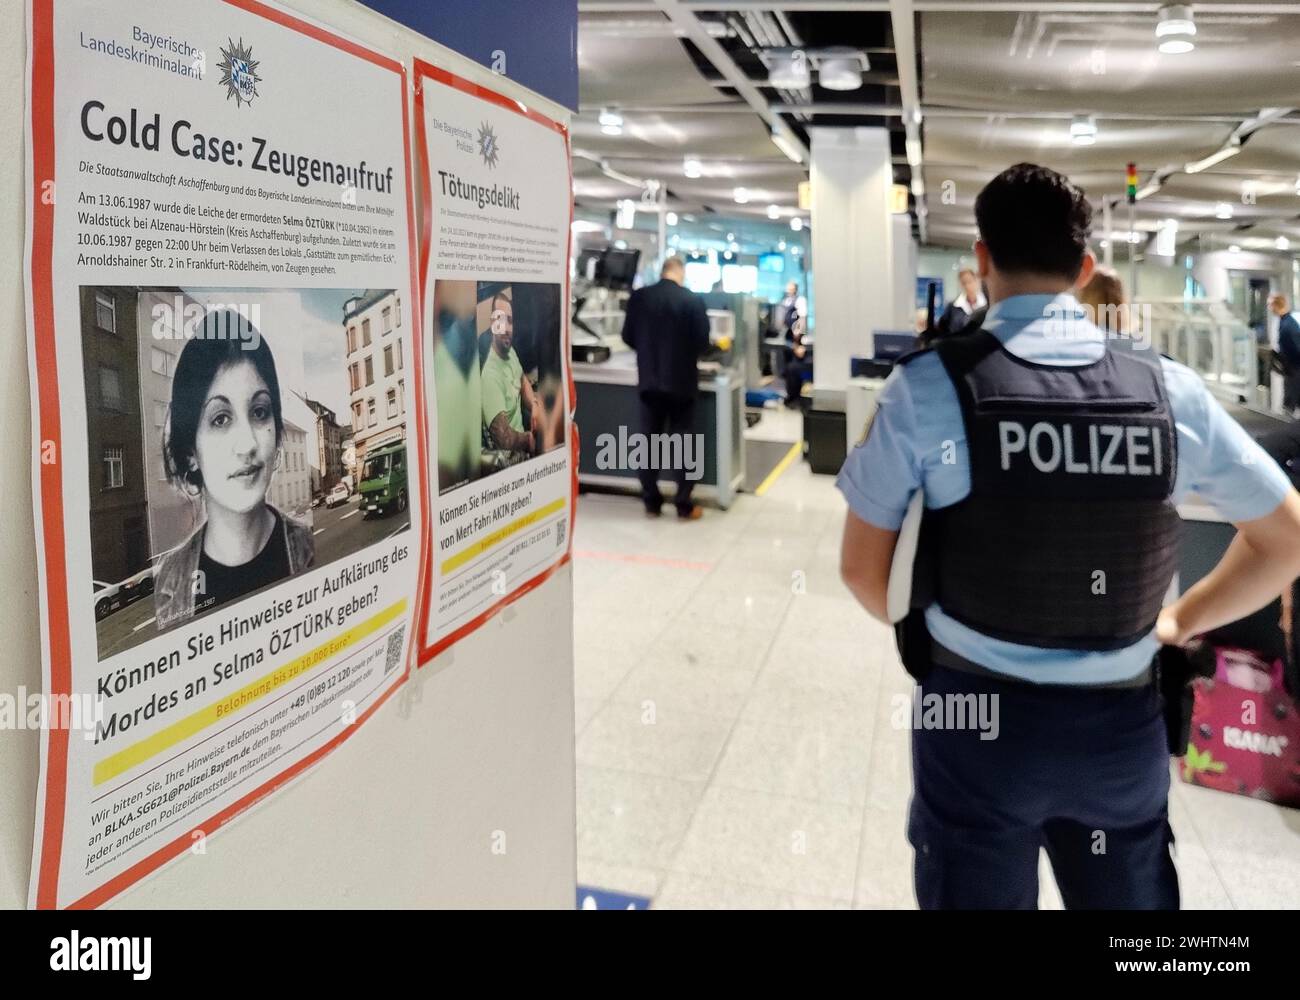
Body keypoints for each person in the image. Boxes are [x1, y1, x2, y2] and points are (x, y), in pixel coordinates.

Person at [836, 162, 1300, 910]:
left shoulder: (927, 387)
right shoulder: (1166, 390)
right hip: (1119, 730)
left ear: (981, 260)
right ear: (1086, 269)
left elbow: (864, 574)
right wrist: (1178, 621)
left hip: (973, 721)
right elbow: (1288, 540)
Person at [154, 310, 315, 627]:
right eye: (220, 419)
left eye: (259, 412)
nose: (247, 444)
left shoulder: (307, 545)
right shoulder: (168, 583)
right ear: (190, 453)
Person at [620, 256, 710, 519]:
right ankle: (683, 503)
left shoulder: (640, 298)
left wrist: (648, 354)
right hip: (682, 384)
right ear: (680, 273)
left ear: (662, 272)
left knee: (648, 442)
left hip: (649, 381)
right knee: (683, 443)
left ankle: (651, 500)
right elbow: (703, 343)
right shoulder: (692, 300)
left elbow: (628, 336)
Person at [481, 289, 542, 458]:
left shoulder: (510, 352)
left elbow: (522, 379)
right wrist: (529, 439)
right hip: (512, 458)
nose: (507, 328)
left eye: (510, 321)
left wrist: (534, 405)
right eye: (501, 320)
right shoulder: (490, 376)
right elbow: (503, 438)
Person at [1269, 293, 1300, 413]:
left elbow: (1296, 348)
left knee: (1290, 401)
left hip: (1294, 368)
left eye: (1270, 305)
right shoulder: (1286, 322)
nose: (1269, 308)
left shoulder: (1288, 325)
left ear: (1276, 305)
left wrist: (1286, 361)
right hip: (1292, 368)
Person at [936, 267, 987, 336]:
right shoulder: (952, 306)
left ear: (976, 281)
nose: (967, 286)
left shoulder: (987, 305)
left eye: (969, 281)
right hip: (957, 344)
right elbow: (942, 329)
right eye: (964, 283)